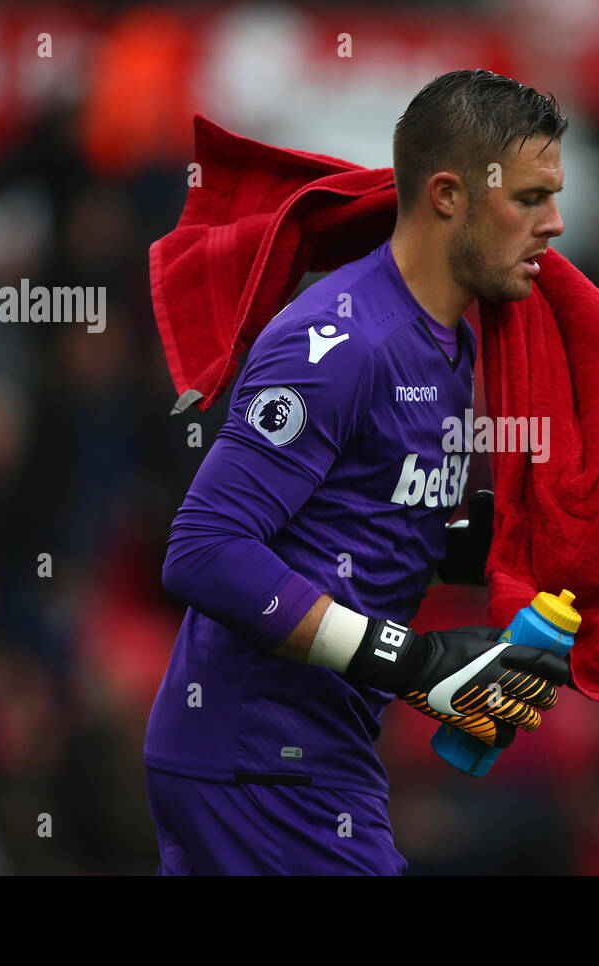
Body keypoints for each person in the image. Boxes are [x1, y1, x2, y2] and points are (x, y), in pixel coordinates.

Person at [143, 69, 571, 874]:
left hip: (296, 755)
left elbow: (346, 519)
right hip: (262, 760)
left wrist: (475, 549)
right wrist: (412, 665)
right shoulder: (339, 345)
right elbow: (202, 550)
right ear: (449, 195)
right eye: (529, 198)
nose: (554, 224)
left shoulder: (454, 339)